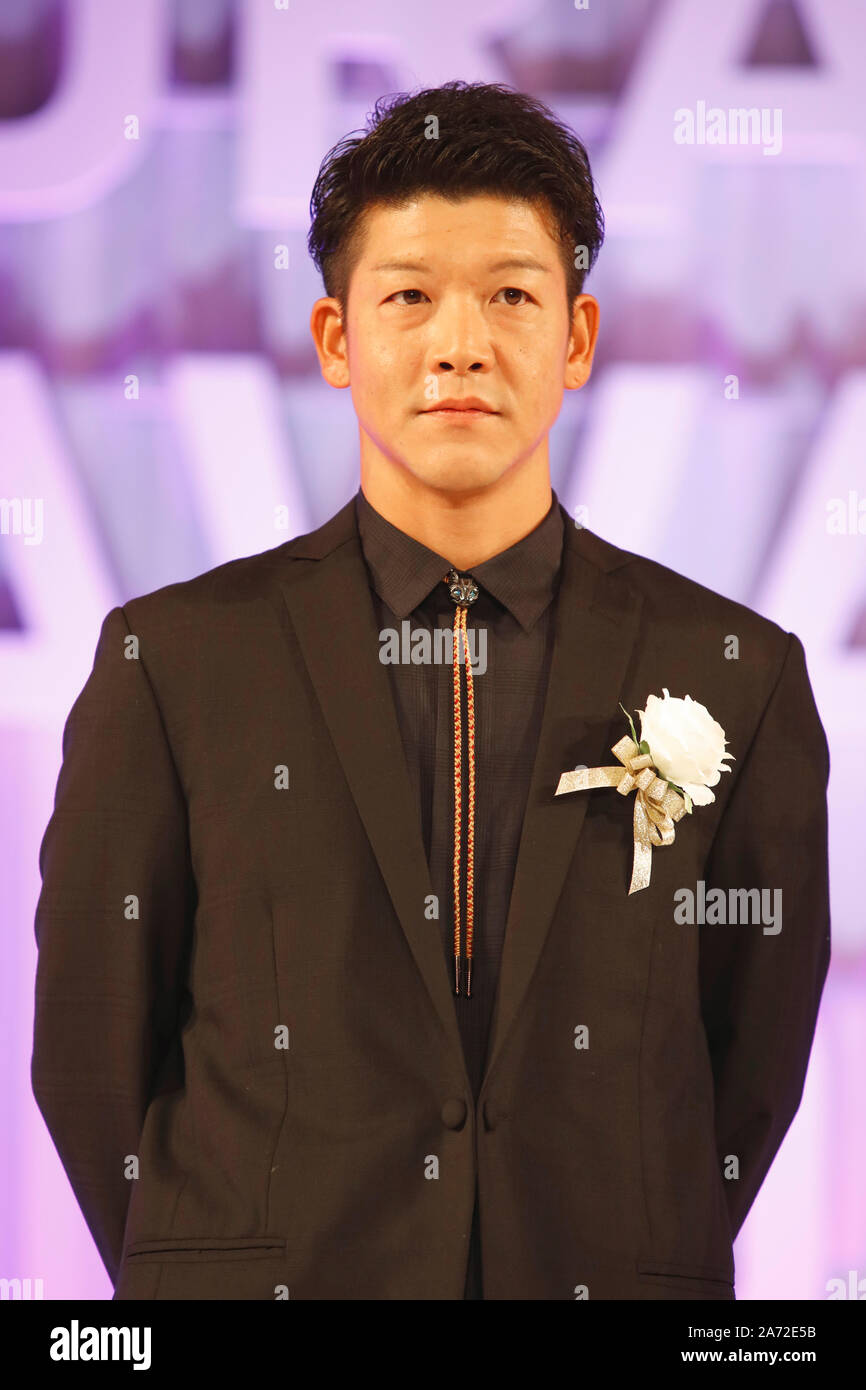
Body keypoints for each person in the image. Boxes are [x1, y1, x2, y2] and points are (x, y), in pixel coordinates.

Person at [32, 81, 830, 1300]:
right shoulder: (174, 662)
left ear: (575, 337)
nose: (459, 342)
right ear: (336, 340)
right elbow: (90, 1049)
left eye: (511, 294)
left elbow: (749, 1055)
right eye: (407, 295)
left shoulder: (734, 671)